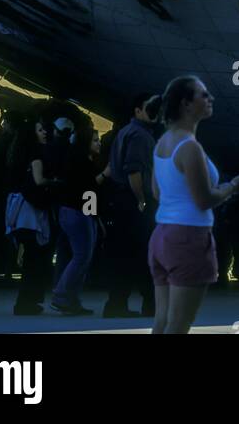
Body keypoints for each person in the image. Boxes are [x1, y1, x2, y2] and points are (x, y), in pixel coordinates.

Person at [148, 76, 239, 334]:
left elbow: (157, 192)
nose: (210, 99)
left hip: (162, 236)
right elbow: (204, 199)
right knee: (180, 324)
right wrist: (233, 186)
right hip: (189, 236)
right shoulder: (189, 147)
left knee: (162, 320)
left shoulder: (163, 143)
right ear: (186, 104)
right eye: (203, 95)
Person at [101, 92, 158, 318]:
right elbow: (134, 171)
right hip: (134, 201)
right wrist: (142, 199)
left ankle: (117, 303)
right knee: (143, 253)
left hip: (122, 200)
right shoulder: (140, 135)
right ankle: (149, 303)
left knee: (124, 254)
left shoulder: (125, 132)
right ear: (137, 111)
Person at [47, 117, 100, 315]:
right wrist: (94, 215)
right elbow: (88, 191)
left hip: (71, 212)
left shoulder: (74, 159)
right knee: (81, 256)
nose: (99, 143)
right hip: (78, 213)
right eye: (95, 140)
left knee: (77, 256)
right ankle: (61, 295)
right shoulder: (83, 163)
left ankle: (71, 299)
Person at [5, 116, 55, 316]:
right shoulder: (37, 154)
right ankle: (27, 301)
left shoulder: (19, 153)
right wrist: (55, 181)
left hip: (21, 211)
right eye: (41, 130)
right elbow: (39, 180)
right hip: (33, 213)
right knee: (35, 259)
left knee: (31, 258)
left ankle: (26, 301)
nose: (45, 133)